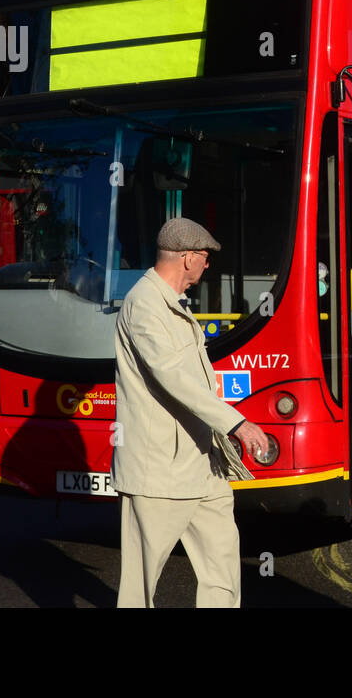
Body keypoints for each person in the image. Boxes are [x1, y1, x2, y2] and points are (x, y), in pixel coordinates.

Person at [113, 217, 268, 608]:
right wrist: (239, 422)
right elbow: (173, 378)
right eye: (204, 257)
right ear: (187, 258)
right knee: (140, 584)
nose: (207, 265)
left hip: (202, 463)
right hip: (159, 471)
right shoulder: (144, 306)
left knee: (223, 566)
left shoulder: (174, 305)